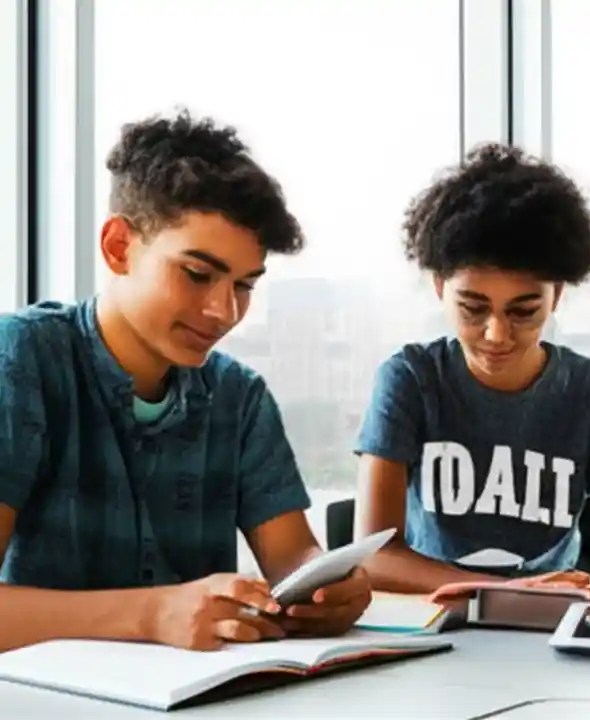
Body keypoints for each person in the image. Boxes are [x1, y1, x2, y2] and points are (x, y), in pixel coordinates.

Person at [0, 112, 371, 652]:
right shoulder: (22, 358)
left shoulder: (239, 396)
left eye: (244, 285)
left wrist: (329, 588)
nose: (224, 311)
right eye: (197, 274)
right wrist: (153, 614)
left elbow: (294, 559)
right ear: (118, 247)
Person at [353, 144, 590, 604]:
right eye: (473, 309)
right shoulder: (410, 379)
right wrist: (510, 590)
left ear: (556, 295)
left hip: (550, 620)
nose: (496, 334)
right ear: (439, 286)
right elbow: (372, 555)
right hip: (435, 618)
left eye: (524, 311)